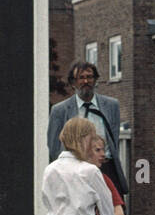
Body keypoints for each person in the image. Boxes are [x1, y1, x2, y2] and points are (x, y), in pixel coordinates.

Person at [47, 60, 128, 198]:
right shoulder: (59, 110)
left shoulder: (111, 105)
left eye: (89, 77)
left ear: (95, 80)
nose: (86, 81)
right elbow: (54, 147)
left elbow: (113, 139)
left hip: (106, 168)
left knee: (115, 214)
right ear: (73, 83)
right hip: (75, 172)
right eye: (81, 78)